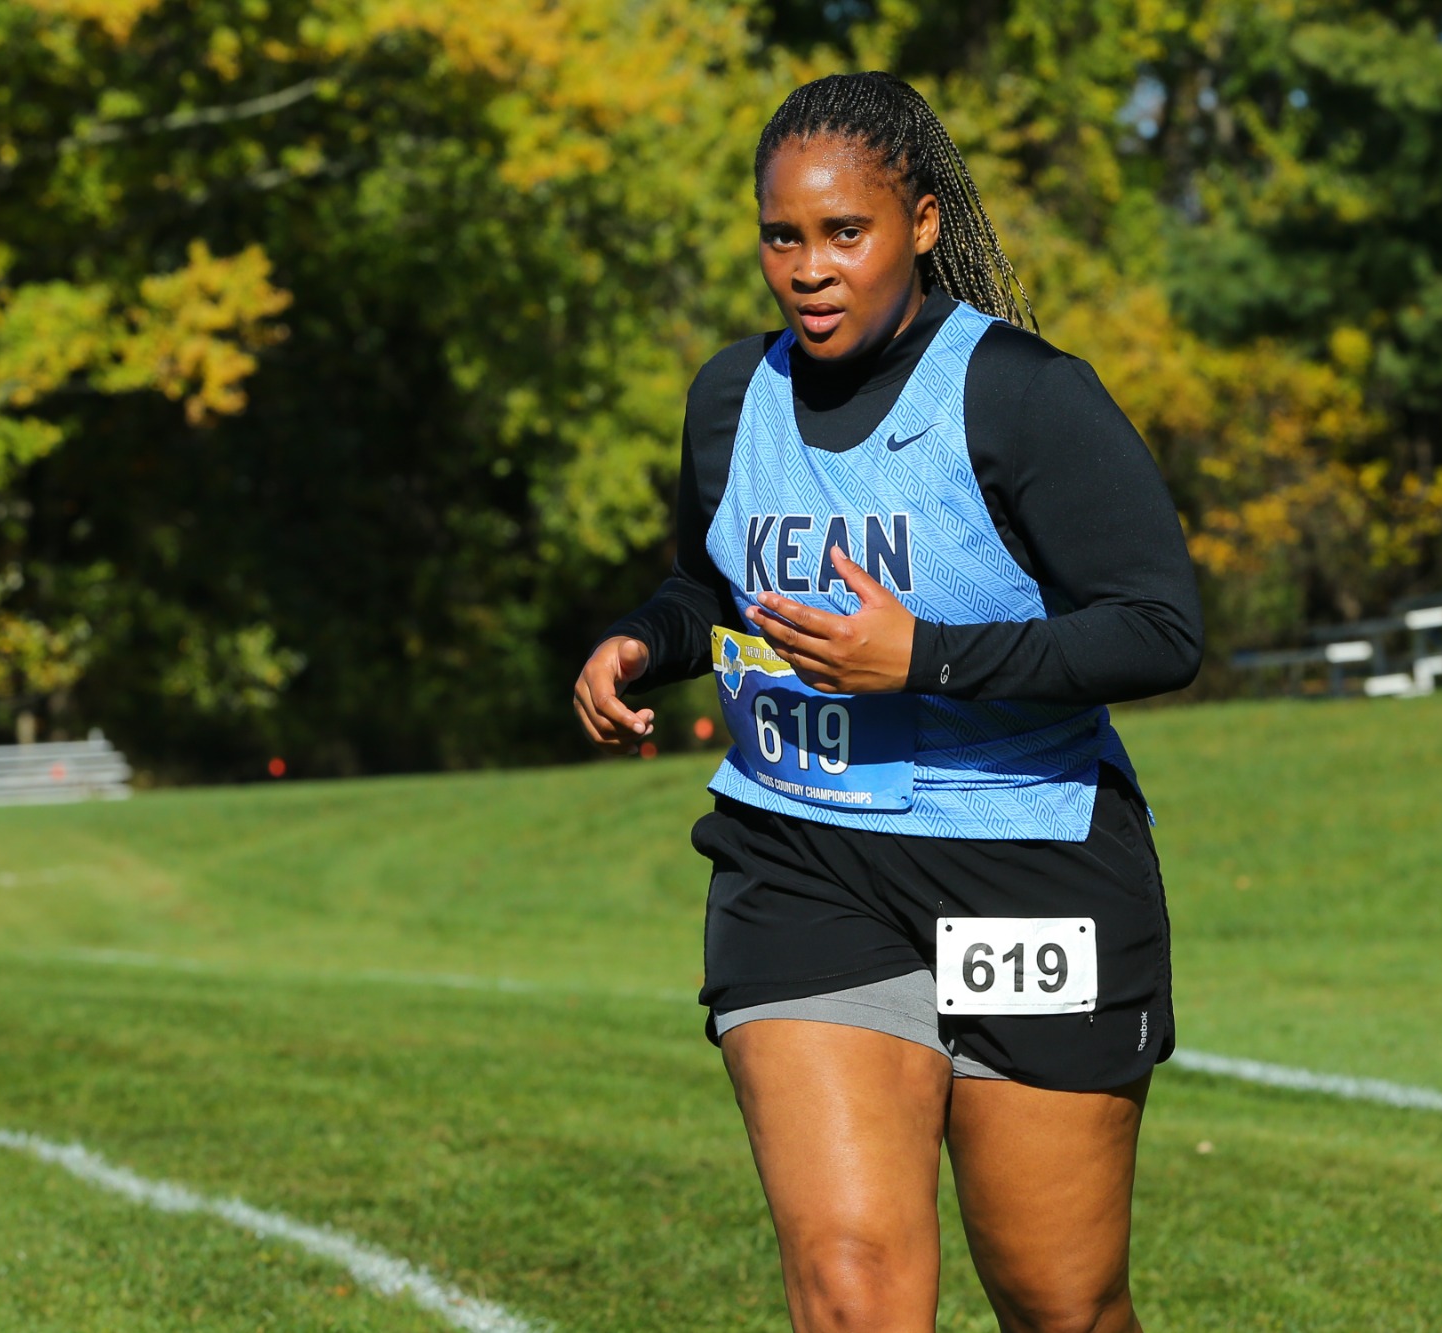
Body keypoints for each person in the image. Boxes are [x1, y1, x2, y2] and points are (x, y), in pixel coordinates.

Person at [573, 72, 1201, 1333]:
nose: (808, 269)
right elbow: (710, 584)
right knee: (853, 1287)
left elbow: (1158, 627)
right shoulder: (728, 398)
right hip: (801, 861)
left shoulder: (1021, 394)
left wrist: (923, 658)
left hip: (1024, 869)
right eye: (781, 236)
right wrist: (643, 641)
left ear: (918, 222)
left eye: (843, 232)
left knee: (1060, 1303)